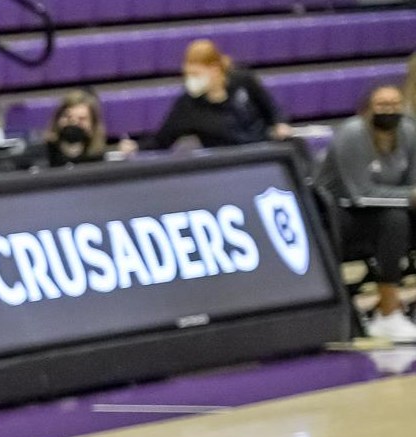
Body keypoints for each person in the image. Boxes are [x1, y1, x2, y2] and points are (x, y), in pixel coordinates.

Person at [314, 84, 416, 343]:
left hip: (384, 211)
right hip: (338, 216)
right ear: (367, 109)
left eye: (395, 104)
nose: (389, 111)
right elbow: (360, 194)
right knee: (395, 220)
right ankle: (388, 314)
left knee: (397, 217)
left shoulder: (409, 131)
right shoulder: (353, 134)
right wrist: (410, 197)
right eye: (382, 105)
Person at [145, 40, 289, 151]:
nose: (191, 80)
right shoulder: (186, 104)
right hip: (227, 165)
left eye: (196, 74)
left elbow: (271, 109)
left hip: (263, 153)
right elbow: (161, 140)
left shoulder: (244, 81)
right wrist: (138, 147)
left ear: (214, 69)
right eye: (188, 75)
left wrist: (280, 124)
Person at [32, 89, 137, 167]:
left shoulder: (104, 158)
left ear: (93, 126)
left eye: (81, 119)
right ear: (57, 120)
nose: (73, 123)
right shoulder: (39, 155)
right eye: (68, 117)